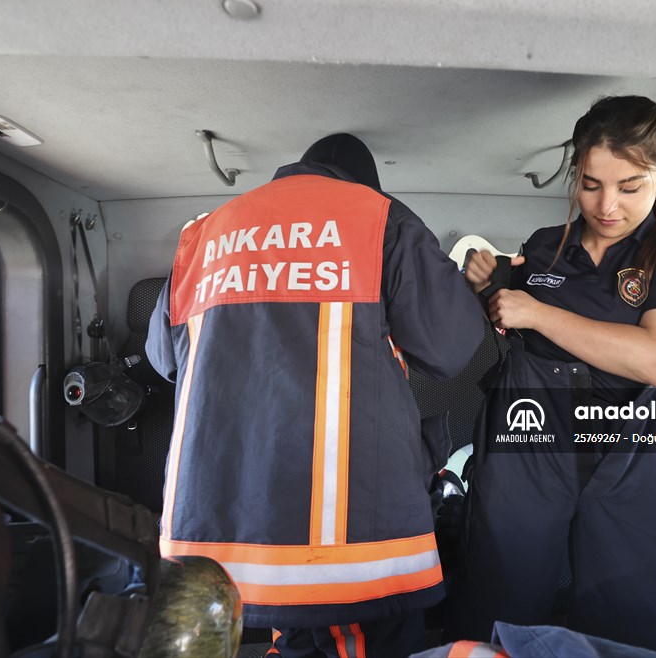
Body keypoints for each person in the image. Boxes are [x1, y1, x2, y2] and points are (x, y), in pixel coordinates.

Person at [146, 133, 485, 657]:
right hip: (349, 546)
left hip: (216, 541)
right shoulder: (377, 218)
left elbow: (163, 359)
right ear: (365, 185)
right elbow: (451, 346)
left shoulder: (203, 237)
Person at [451, 96, 656, 658]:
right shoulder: (544, 247)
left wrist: (535, 312)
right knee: (502, 595)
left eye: (630, 186)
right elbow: (509, 325)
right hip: (531, 432)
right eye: (592, 183)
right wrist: (489, 291)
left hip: (636, 442)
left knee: (637, 610)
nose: (607, 205)